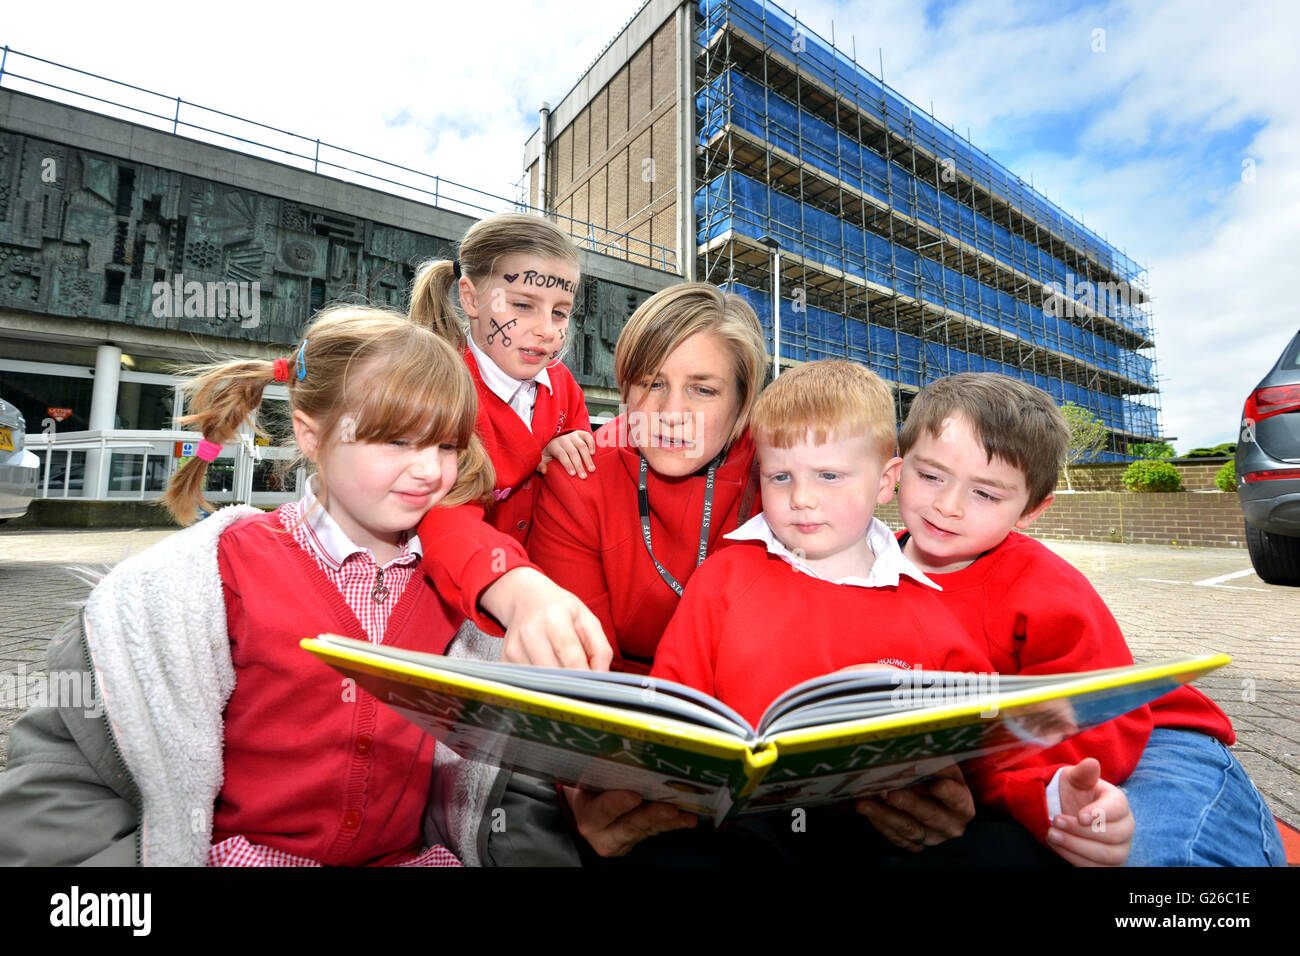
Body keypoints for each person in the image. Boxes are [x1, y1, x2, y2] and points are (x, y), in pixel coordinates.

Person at [0, 305, 567, 866]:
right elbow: (67, 781)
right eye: (396, 441)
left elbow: (505, 781)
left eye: (446, 446)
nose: (428, 471)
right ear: (310, 434)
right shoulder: (211, 578)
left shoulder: (457, 589)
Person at [649, 361, 1133, 866]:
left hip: (874, 833)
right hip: (737, 826)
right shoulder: (724, 578)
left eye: (829, 475)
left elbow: (986, 753)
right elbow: (672, 705)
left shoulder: (932, 608)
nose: (802, 498)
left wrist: (1048, 796)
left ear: (886, 481)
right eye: (780, 476)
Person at [893, 372, 1286, 866]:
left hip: (1143, 740)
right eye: (930, 475)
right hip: (1021, 765)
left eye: (986, 494)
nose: (946, 506)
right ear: (895, 468)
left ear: (1031, 510)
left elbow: (1103, 718)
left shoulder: (1042, 584)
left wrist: (1047, 796)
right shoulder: (857, 570)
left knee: (1150, 861)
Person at [409, 211, 594, 546]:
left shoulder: (564, 385)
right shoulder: (440, 389)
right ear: (471, 297)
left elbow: (584, 478)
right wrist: (537, 455)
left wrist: (568, 446)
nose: (547, 330)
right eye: (523, 305)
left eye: (560, 312)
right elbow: (445, 514)